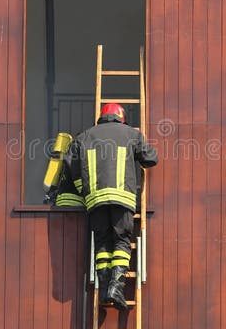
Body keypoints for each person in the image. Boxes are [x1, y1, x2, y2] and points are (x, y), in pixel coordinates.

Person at [66, 102, 157, 310]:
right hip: (122, 198)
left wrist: (82, 188)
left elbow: (70, 161)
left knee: (102, 244)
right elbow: (151, 159)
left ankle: (106, 285)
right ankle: (116, 287)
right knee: (122, 241)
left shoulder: (85, 136)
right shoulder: (130, 134)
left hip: (95, 200)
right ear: (121, 117)